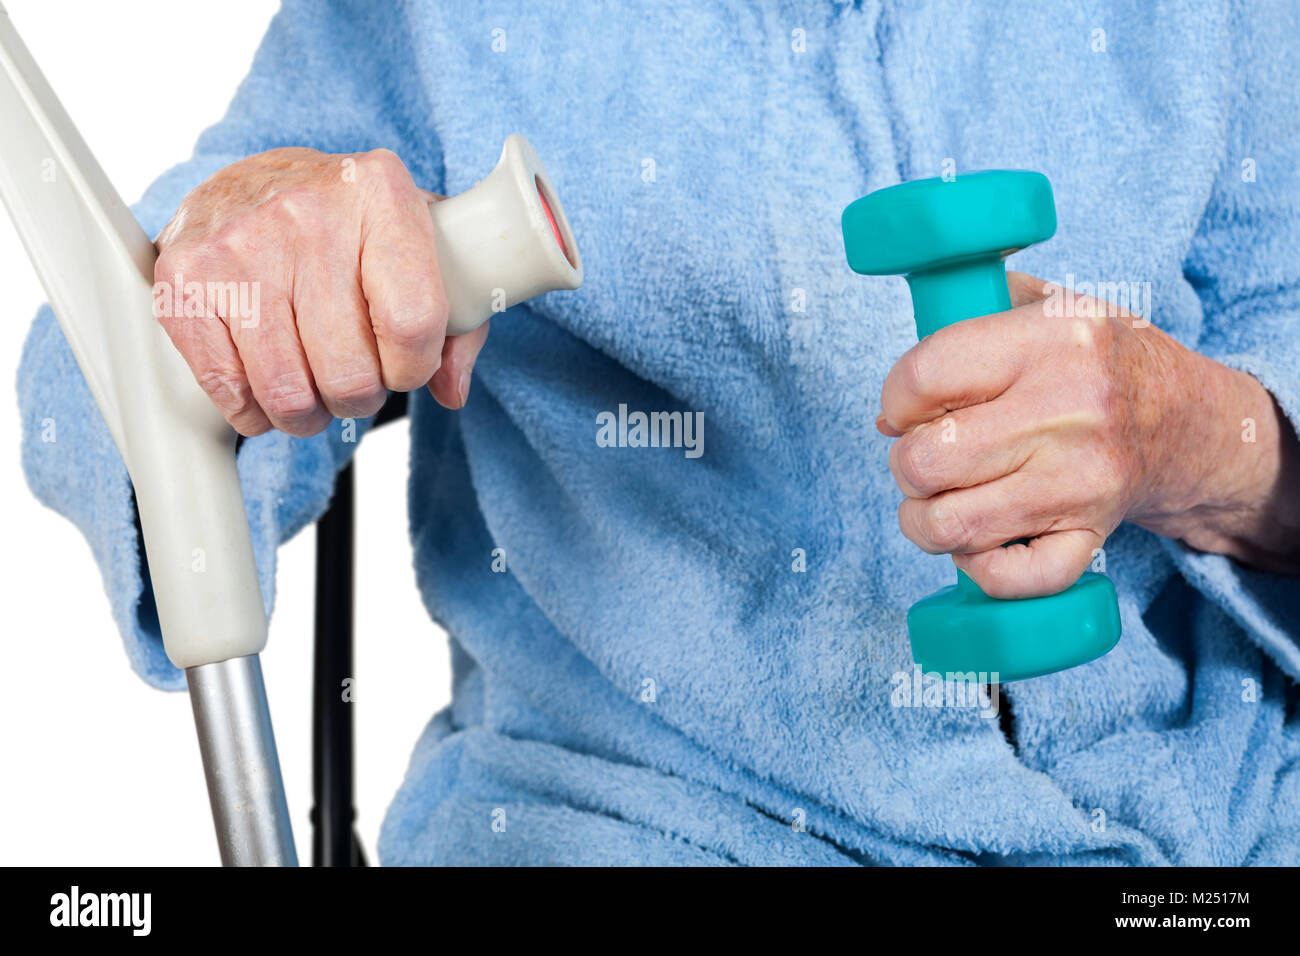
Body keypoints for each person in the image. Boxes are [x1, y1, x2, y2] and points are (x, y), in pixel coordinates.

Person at [18, 0, 1300, 864]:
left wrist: (1208, 436)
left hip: (1217, 821)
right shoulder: (425, 28)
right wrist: (236, 262)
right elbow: (108, 367)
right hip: (635, 819)